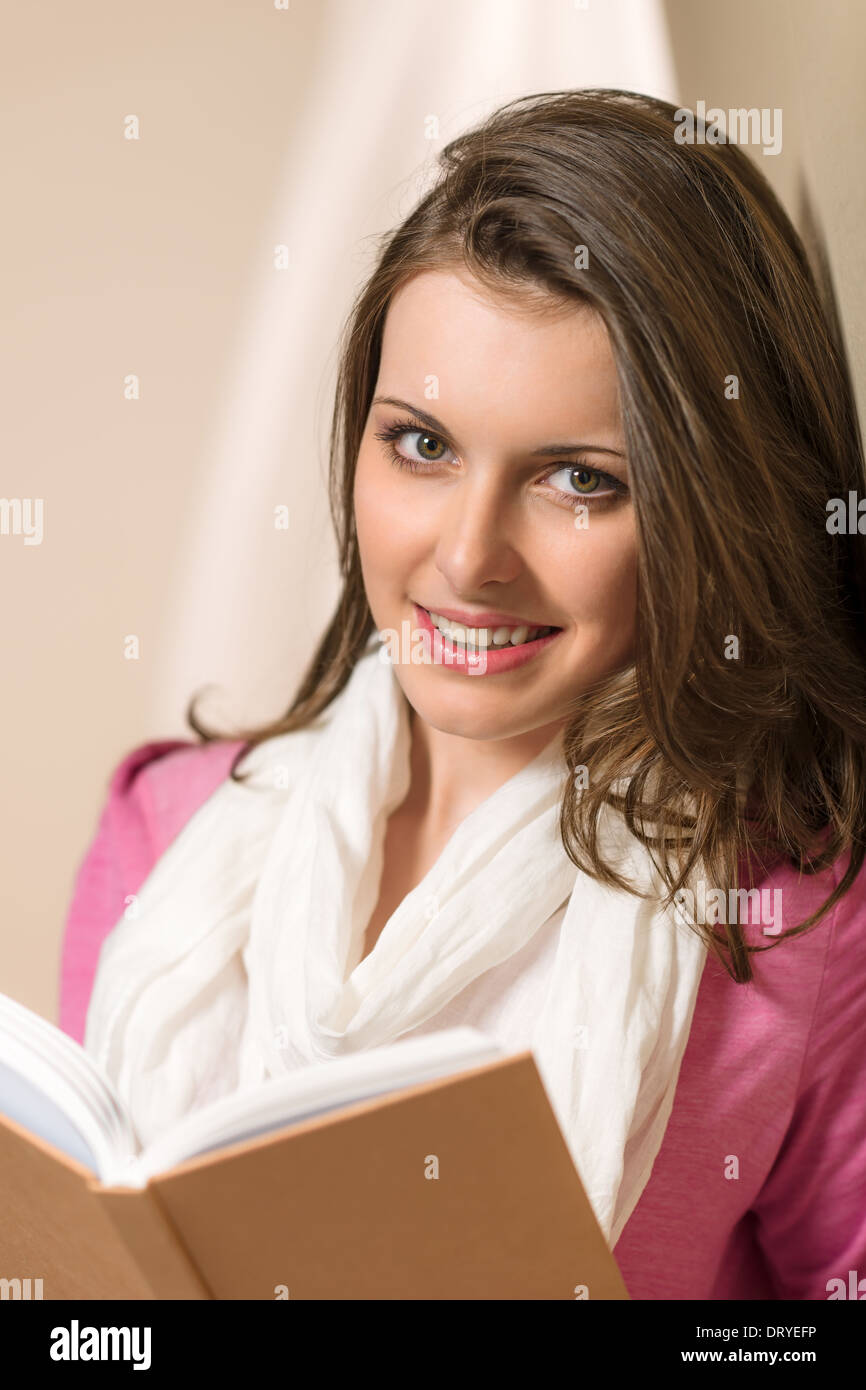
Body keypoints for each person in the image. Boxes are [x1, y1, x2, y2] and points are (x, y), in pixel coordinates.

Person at [61, 88, 866, 1300]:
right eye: (422, 445)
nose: (466, 555)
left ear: (709, 508)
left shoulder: (795, 924)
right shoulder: (160, 827)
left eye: (577, 480)